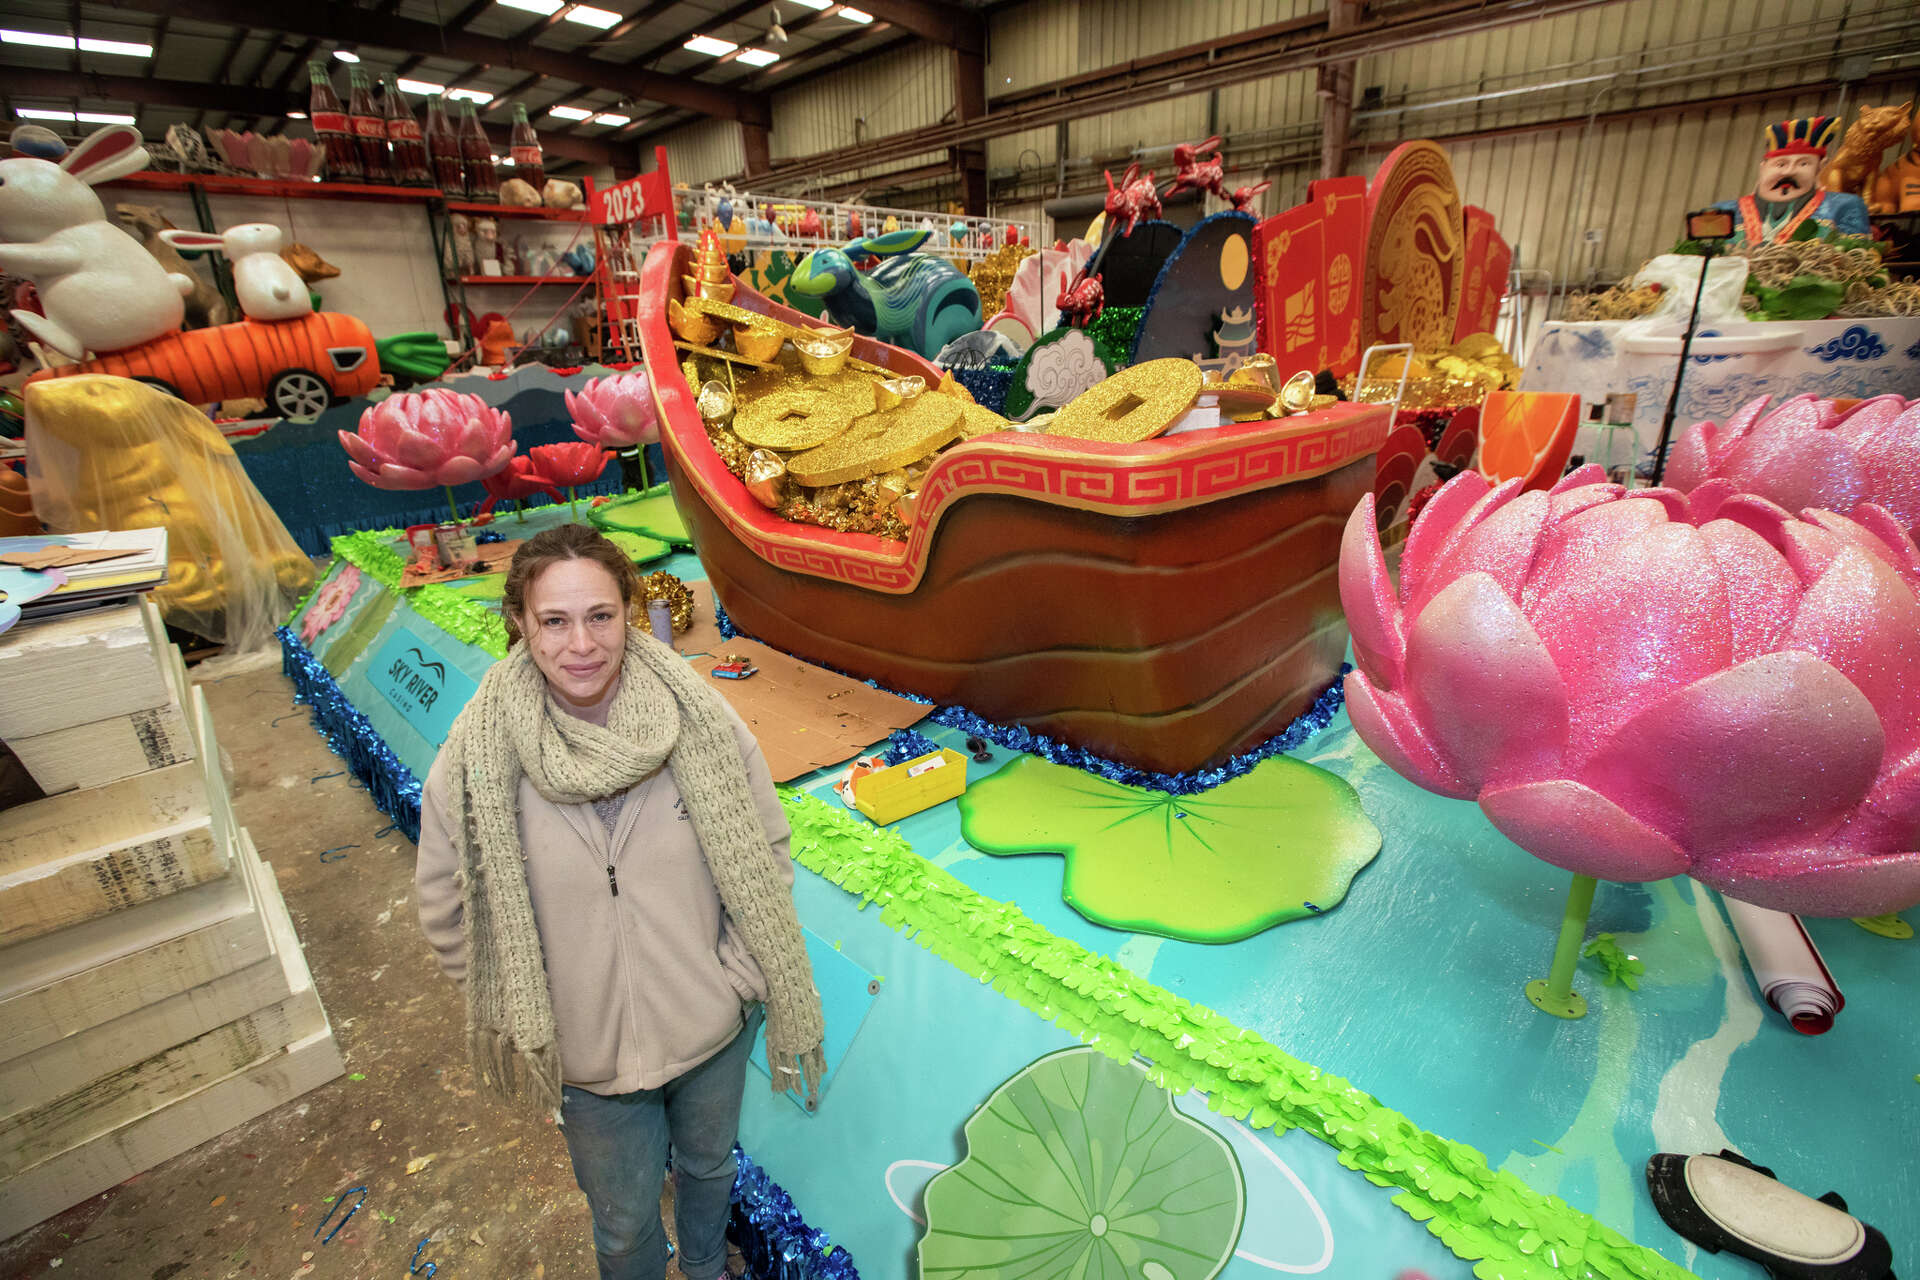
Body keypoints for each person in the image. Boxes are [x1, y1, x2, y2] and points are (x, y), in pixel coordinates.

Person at [415, 523, 825, 1280]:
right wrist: (536, 1009)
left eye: (600, 616)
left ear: (629, 612)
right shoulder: (478, 753)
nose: (582, 644)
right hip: (589, 1064)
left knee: (709, 1171)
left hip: (709, 1032)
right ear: (520, 623)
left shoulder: (697, 720)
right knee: (623, 1222)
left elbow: (764, 850)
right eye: (555, 620)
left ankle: (706, 1266)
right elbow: (447, 903)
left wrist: (733, 981)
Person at [1709, 115, 1870, 246]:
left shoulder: (1843, 206)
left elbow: (1859, 260)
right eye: (1781, 164)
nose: (1789, 171)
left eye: (1803, 164)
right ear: (1763, 168)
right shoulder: (1723, 211)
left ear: (1819, 168)